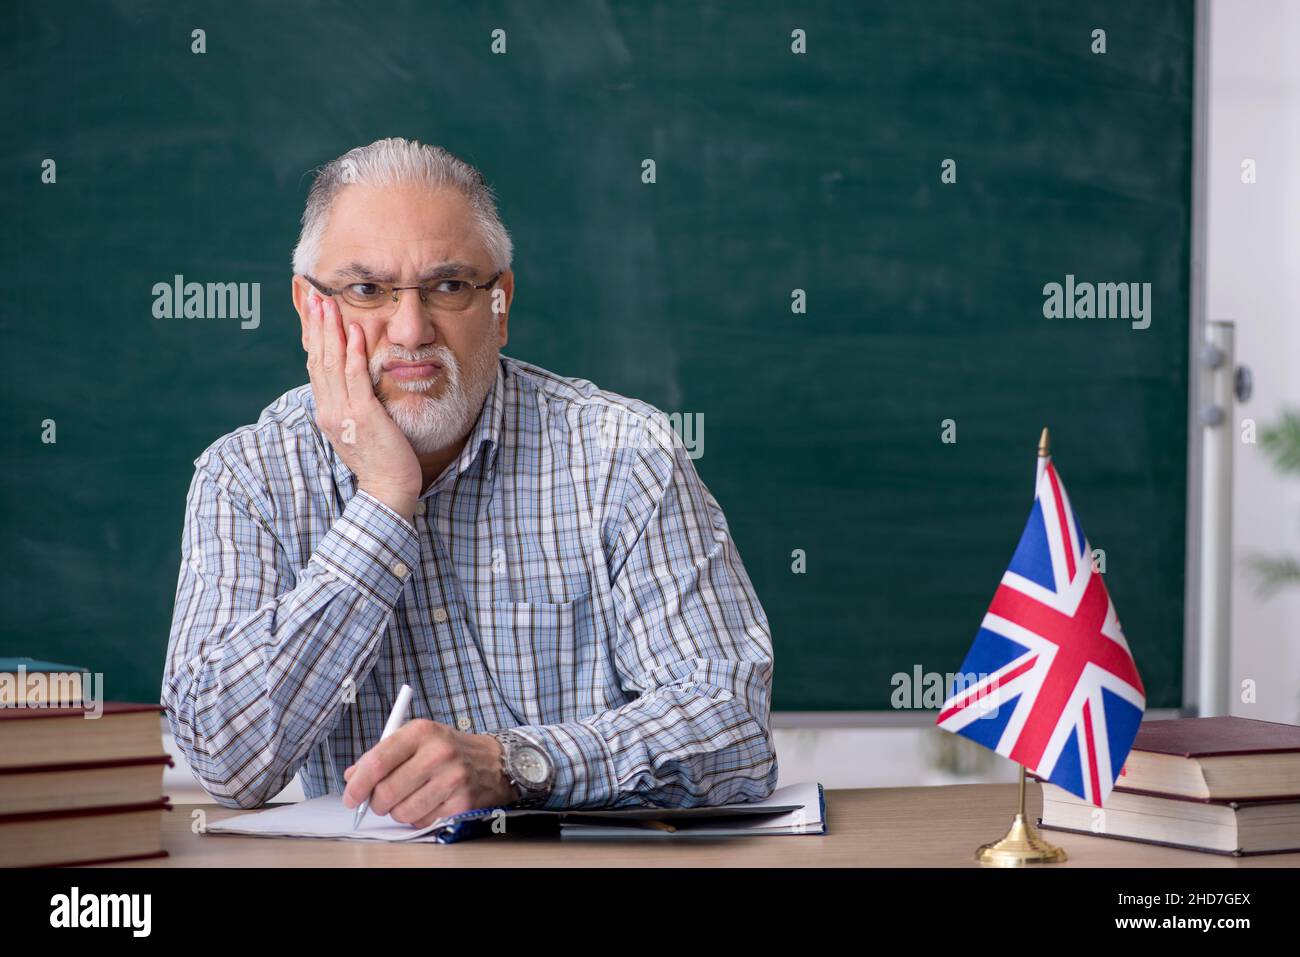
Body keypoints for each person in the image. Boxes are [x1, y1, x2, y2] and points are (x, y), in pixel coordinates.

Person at [162, 137, 777, 828]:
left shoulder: (626, 455)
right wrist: (383, 503)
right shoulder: (247, 478)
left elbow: (735, 733)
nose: (410, 328)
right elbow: (224, 761)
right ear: (311, 311)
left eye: (449, 286)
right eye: (367, 290)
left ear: (500, 303)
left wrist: (518, 764)